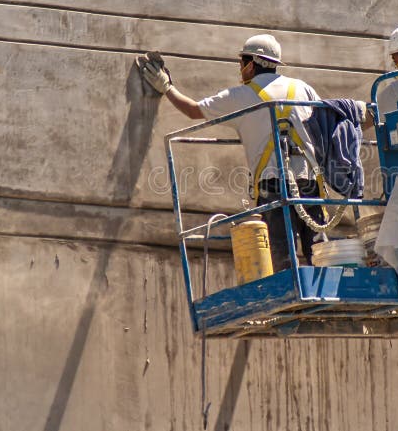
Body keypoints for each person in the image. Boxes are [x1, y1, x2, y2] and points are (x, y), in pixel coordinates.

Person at [137, 34, 325, 272]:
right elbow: (327, 119)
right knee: (320, 250)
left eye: (241, 63)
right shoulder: (303, 88)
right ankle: (326, 297)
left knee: (282, 253)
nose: (240, 70)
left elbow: (194, 110)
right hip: (309, 181)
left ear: (251, 63)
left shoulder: (240, 96)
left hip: (273, 184)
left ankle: (293, 302)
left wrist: (166, 87)